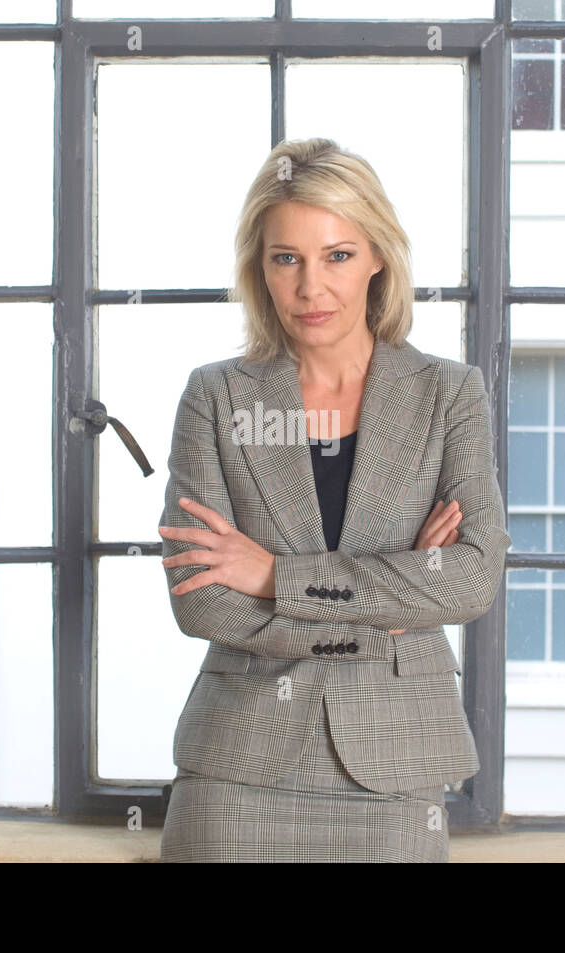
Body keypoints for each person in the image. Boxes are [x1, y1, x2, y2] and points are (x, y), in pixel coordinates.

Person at [156, 136, 510, 862]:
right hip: (236, 773)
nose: (311, 287)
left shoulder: (450, 395)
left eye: (337, 255)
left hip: (394, 770)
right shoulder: (217, 397)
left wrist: (274, 576)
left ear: (379, 255)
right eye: (287, 258)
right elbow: (201, 601)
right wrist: (396, 600)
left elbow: (472, 577)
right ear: (261, 266)